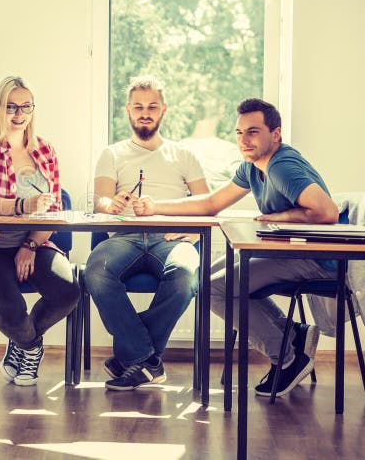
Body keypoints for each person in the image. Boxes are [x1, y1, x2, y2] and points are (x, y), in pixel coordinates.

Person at [133, 98, 339, 397]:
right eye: (239, 133)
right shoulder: (252, 167)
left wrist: (280, 217)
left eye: (253, 132)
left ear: (276, 134)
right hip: (290, 253)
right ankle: (292, 334)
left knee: (216, 290)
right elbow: (211, 203)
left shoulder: (282, 166)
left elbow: (328, 212)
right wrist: (156, 207)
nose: (244, 140)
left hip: (316, 259)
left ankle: (288, 358)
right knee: (206, 281)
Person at [82, 75, 210, 391]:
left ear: (163, 110)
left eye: (152, 107)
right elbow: (100, 201)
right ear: (128, 110)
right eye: (138, 107)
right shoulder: (111, 154)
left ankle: (130, 356)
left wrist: (194, 234)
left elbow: (207, 204)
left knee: (184, 276)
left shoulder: (184, 155)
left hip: (171, 238)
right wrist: (112, 204)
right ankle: (147, 360)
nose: (145, 113)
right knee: (95, 271)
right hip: (123, 238)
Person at [0, 76, 81, 386]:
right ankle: (30, 346)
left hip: (35, 243)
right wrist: (22, 206)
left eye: (26, 106)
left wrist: (31, 245)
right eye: (11, 107)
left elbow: (53, 209)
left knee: (68, 292)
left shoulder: (45, 150)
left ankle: (20, 340)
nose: (19, 114)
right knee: (9, 311)